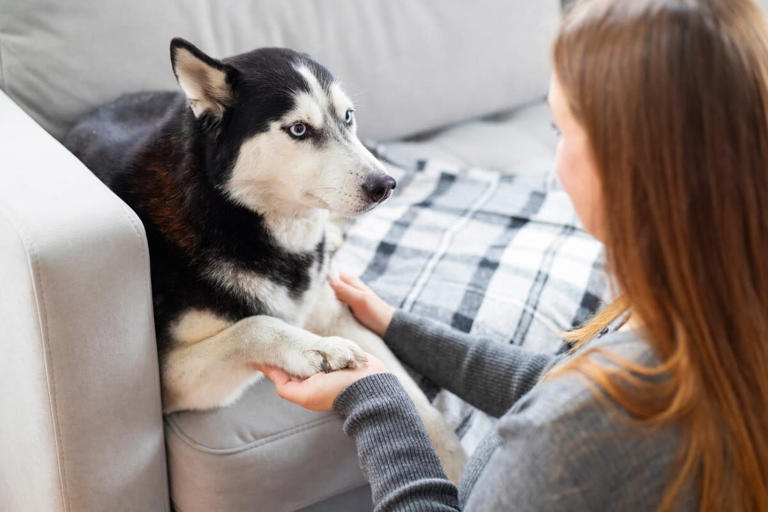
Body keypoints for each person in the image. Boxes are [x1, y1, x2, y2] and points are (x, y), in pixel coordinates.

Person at [257, 0, 768, 509]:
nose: (554, 159)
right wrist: (398, 328)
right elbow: (557, 381)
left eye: (560, 130)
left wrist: (375, 399)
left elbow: (567, 409)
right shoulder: (711, 316)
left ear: (625, 159)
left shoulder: (563, 442)